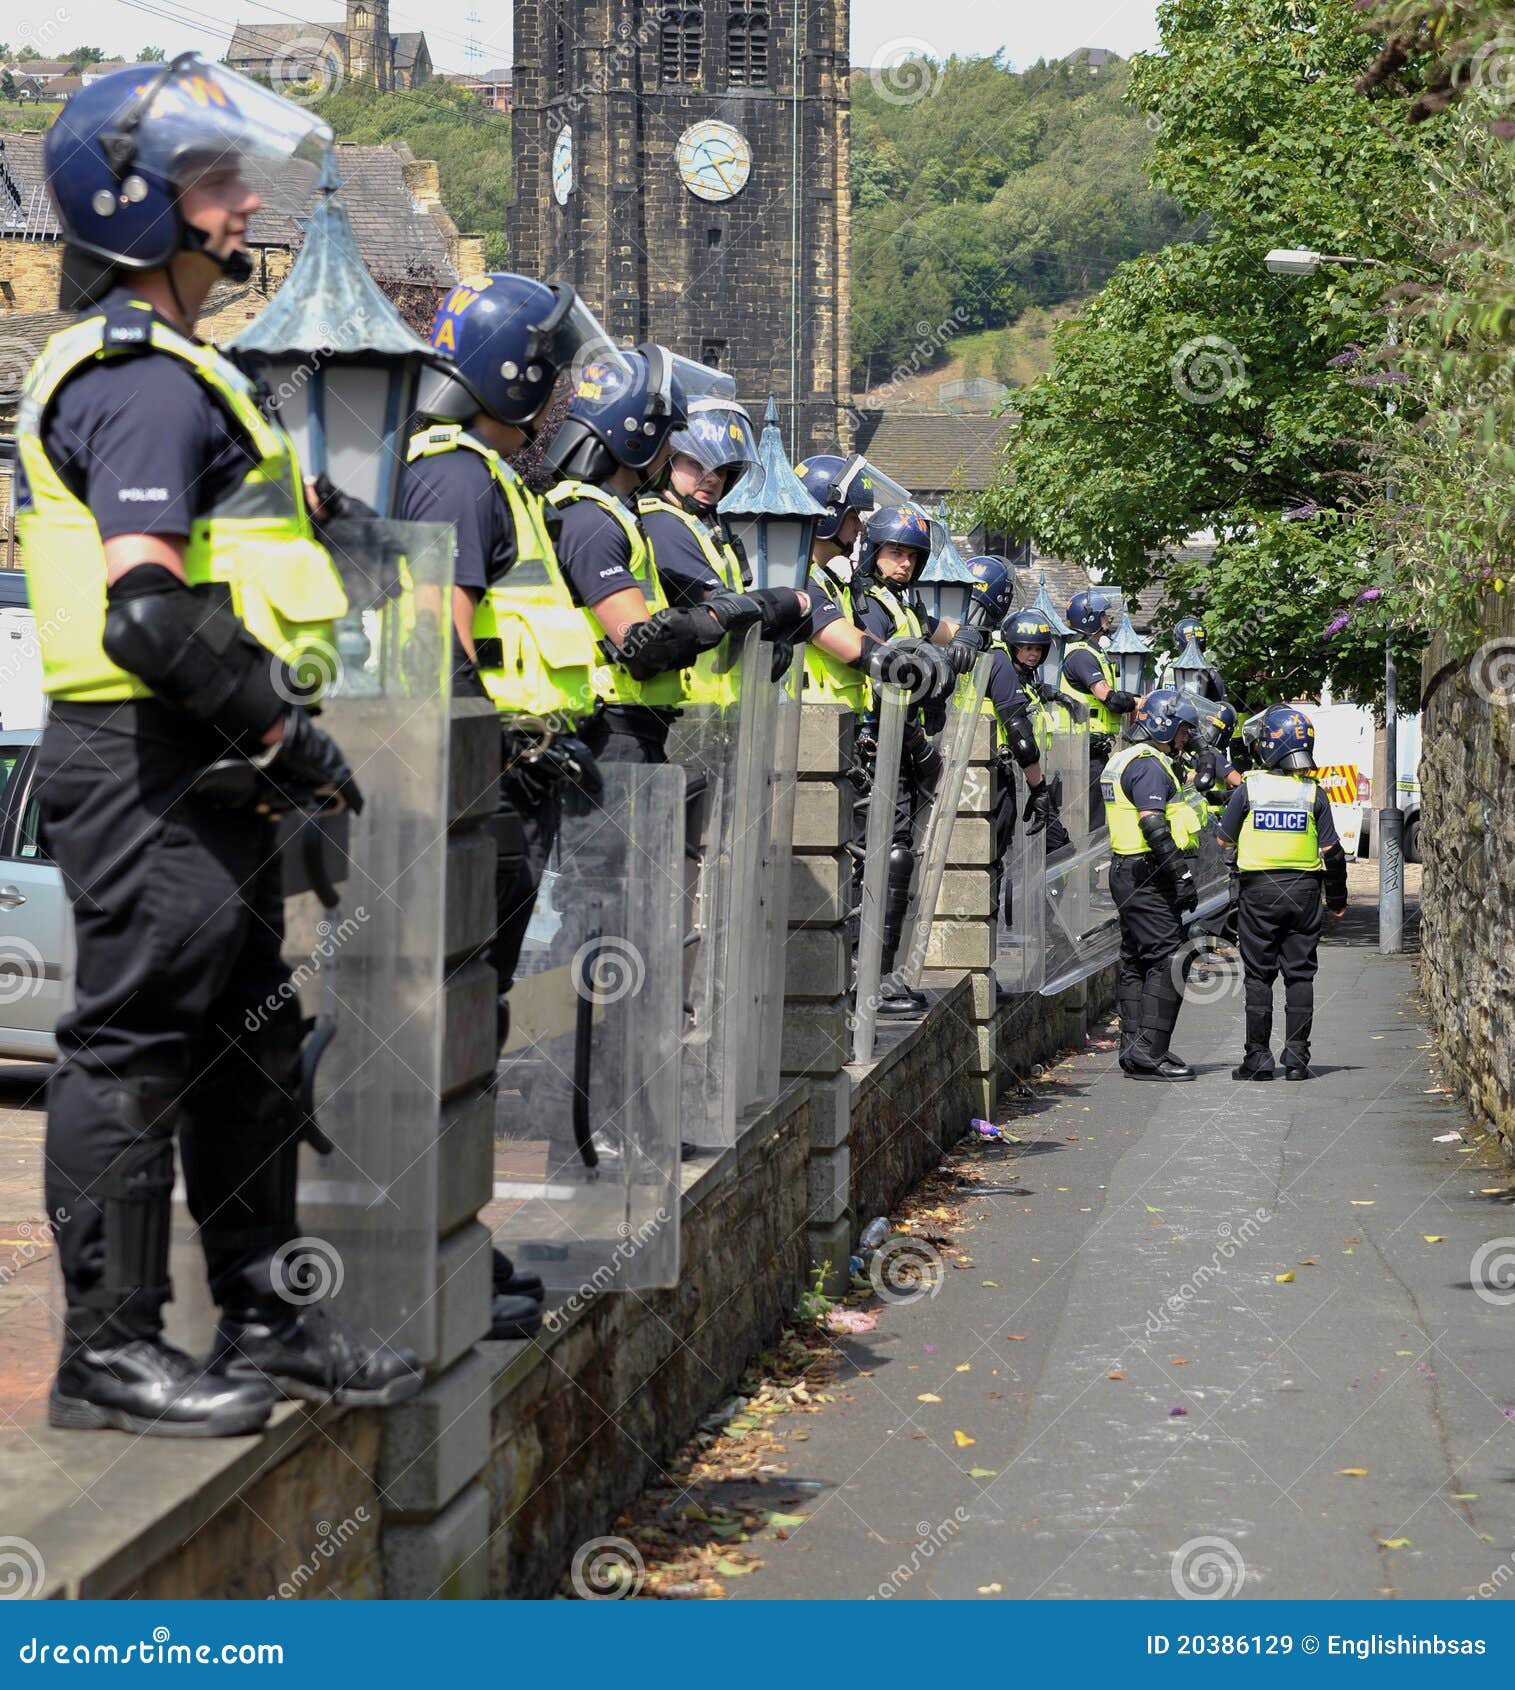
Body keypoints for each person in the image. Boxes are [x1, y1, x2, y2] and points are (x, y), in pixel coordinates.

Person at [17, 55, 422, 1434]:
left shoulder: (192, 372)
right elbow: (145, 609)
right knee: (134, 1047)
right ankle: (108, 1355)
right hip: (148, 759)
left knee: (247, 1047)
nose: (243, 202)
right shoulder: (138, 378)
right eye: (211, 182)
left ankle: (262, 1316)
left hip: (205, 769)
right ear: (135, 208)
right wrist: (282, 727)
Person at [402, 270, 613, 1342]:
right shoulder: (458, 480)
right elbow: (440, 647)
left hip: (510, 784)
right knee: (453, 1021)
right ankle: (432, 1245)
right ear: (517, 377)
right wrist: (506, 749)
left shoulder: (492, 479)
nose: (570, 395)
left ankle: (455, 1238)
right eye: (558, 375)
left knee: (472, 1022)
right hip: (479, 792)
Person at [542, 347, 800, 764]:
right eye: (668, 439)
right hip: (606, 725)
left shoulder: (618, 516)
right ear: (637, 433)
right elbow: (644, 646)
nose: (667, 450)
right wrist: (730, 615)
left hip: (641, 720)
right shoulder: (591, 518)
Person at [849, 505, 985, 1013]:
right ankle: (870, 979)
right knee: (882, 857)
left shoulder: (902, 602)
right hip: (878, 740)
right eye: (894, 553)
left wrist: (970, 632)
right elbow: (888, 668)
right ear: (874, 553)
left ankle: (884, 975)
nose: (903, 563)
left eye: (911, 556)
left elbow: (938, 629)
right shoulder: (867, 604)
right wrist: (914, 744)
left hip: (899, 740)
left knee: (898, 854)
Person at [1218, 705, 1348, 1081]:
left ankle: (1257, 1060)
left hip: (1258, 891)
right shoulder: (1314, 795)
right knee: (1300, 975)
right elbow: (1332, 853)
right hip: (1306, 892)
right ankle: (1297, 1059)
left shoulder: (1249, 789)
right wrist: (1337, 901)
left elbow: (1223, 839)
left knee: (1259, 976)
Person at [1102, 689, 1205, 1080]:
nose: (1185, 740)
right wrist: (1179, 874)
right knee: (1172, 956)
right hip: (1147, 872)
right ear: (1165, 724)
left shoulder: (1126, 759)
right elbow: (1152, 822)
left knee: (1136, 958)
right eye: (1182, 731)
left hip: (1129, 871)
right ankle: (1149, 1049)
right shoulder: (1148, 765)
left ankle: (1134, 1049)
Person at [964, 566, 1060, 941]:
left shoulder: (973, 652)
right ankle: (978, 943)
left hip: (966, 769)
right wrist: (1039, 790)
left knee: (982, 860)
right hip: (994, 773)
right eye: (1027, 647)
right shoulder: (998, 660)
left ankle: (977, 943)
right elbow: (1020, 734)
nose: (1033, 655)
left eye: (1038, 649)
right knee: (988, 861)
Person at [1059, 589, 1139, 821]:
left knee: (1100, 813)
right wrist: (1138, 702)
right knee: (1092, 818)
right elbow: (1110, 699)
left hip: (1094, 748)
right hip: (1083, 749)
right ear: (1090, 618)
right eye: (1103, 615)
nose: (1107, 621)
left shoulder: (1093, 652)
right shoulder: (1082, 655)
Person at [1154, 614, 1229, 701]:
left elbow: (1156, 701)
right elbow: (1223, 709)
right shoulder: (1212, 674)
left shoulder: (1167, 671)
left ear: (1177, 642)